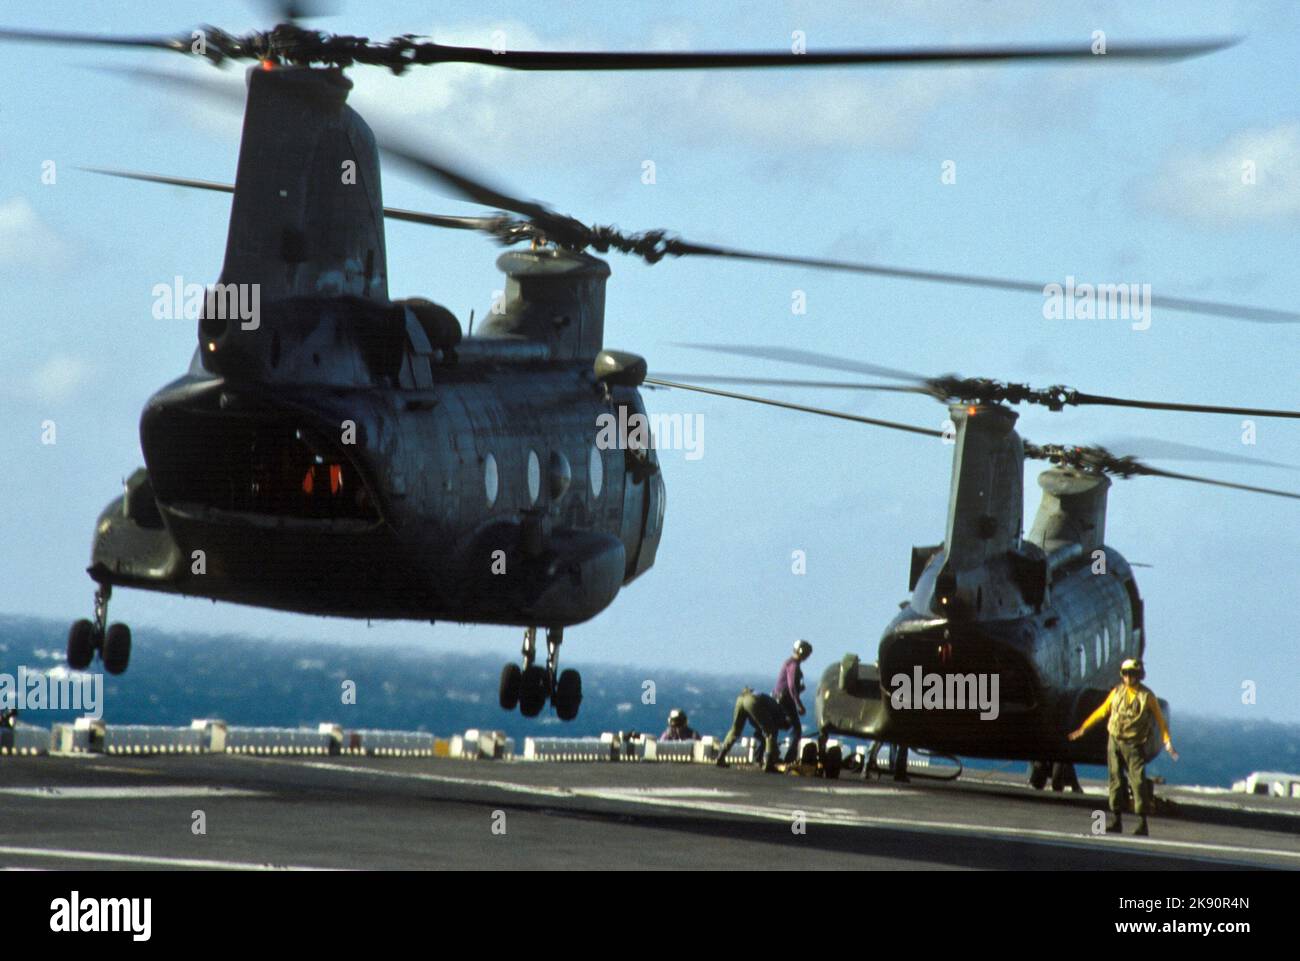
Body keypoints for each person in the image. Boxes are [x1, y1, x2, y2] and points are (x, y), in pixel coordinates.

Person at [1068, 657, 1178, 836]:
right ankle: (1116, 819)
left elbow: (1160, 721)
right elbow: (1102, 712)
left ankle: (1143, 822)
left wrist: (1167, 742)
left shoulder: (1147, 696)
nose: (1129, 678)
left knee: (1138, 782)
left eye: (1132, 674)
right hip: (1115, 741)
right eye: (1126, 674)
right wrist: (1083, 729)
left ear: (1139, 676)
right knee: (1115, 780)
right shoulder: (1117, 693)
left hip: (1134, 744)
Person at [715, 687, 789, 773]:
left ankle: (720, 758)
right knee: (771, 732)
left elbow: (757, 726)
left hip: (741, 698)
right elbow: (770, 730)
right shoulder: (779, 710)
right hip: (753, 701)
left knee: (735, 729)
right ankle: (769, 764)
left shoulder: (771, 702)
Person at [774, 639, 813, 764]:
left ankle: (771, 753)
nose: (808, 656)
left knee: (778, 725)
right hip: (785, 700)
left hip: (781, 698)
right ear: (802, 651)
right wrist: (799, 704)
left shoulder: (790, 663)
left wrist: (799, 689)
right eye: (807, 653)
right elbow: (791, 686)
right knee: (796, 729)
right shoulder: (793, 665)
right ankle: (789, 759)